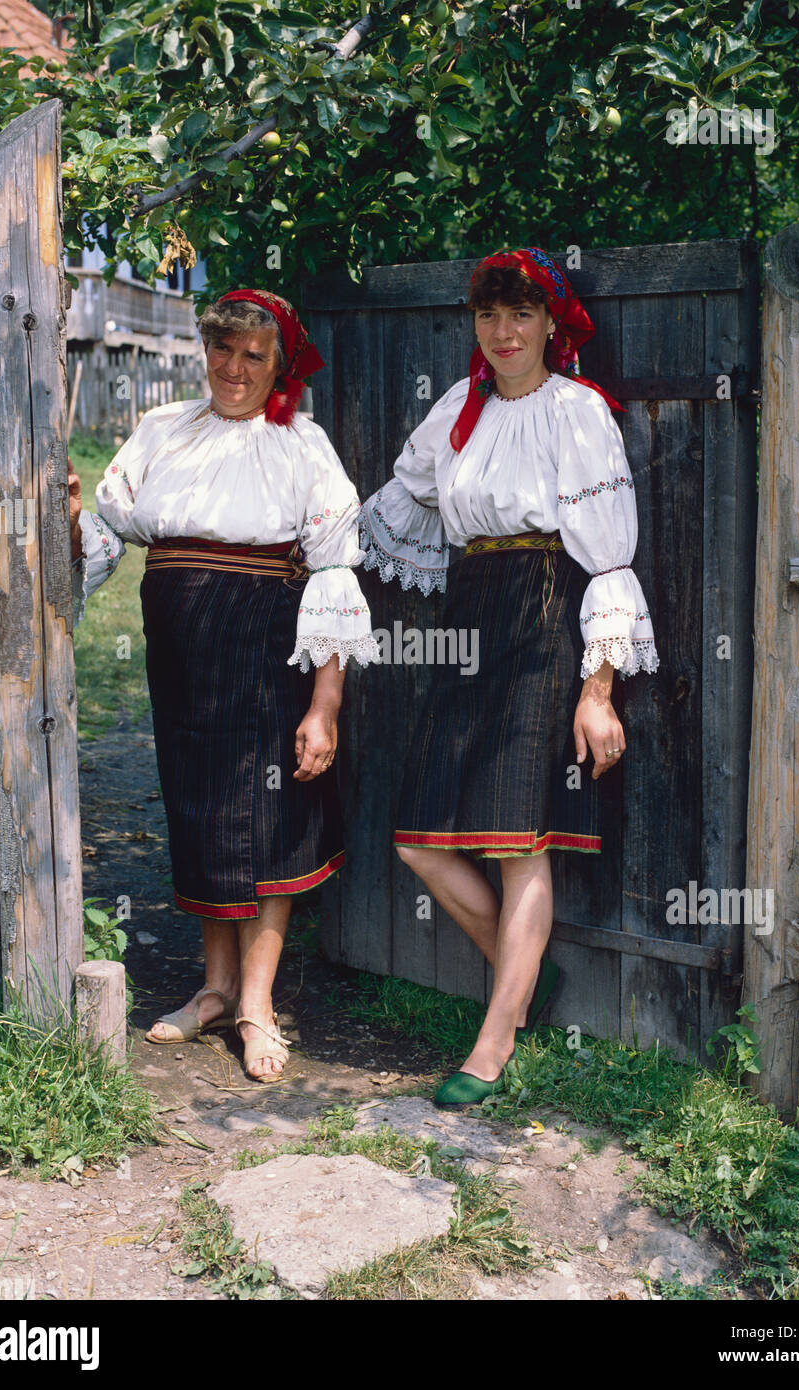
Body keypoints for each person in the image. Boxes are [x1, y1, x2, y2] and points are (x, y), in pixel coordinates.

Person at [359, 247, 659, 1108]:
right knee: (418, 838)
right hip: (466, 614)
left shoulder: (577, 413)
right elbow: (404, 494)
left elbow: (608, 559)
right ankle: (521, 984)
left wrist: (596, 691)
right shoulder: (460, 407)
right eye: (490, 316)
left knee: (517, 843)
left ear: (549, 325)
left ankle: (492, 1044)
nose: (503, 332)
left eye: (520, 315)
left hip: (542, 616)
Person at [68, 288, 378, 1081]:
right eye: (222, 349)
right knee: (202, 811)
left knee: (266, 820)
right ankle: (211, 990)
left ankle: (257, 1006)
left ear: (278, 367)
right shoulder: (161, 430)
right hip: (180, 653)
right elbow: (107, 535)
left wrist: (325, 705)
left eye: (253, 356)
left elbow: (335, 574)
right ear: (203, 348)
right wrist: (71, 522)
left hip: (268, 648)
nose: (232, 368)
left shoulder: (301, 445)